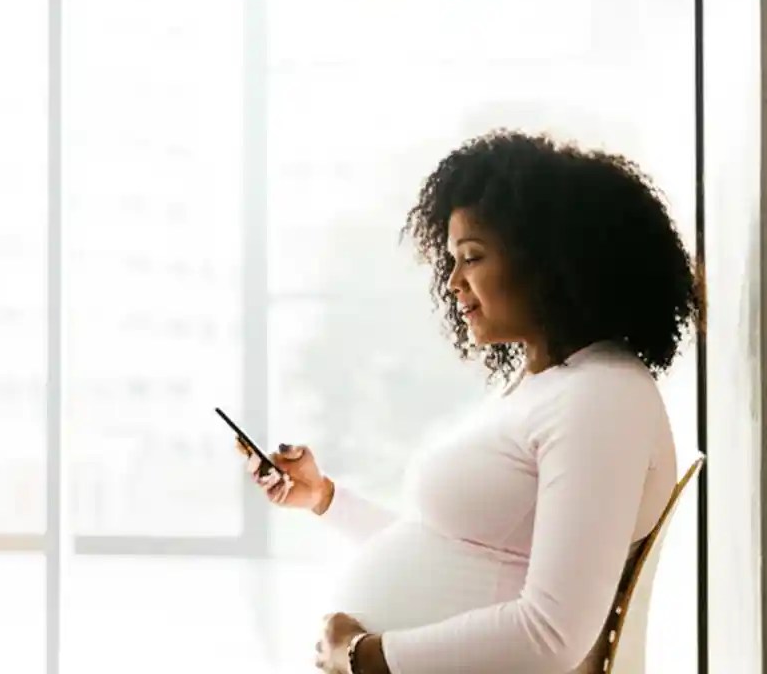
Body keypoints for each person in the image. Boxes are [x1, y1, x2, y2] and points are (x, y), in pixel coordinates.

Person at [245, 130, 701, 673]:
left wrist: (362, 656)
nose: (454, 282)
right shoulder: (552, 386)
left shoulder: (602, 397)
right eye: (452, 261)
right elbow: (458, 548)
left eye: (473, 258)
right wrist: (324, 498)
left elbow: (552, 633)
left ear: (552, 262)